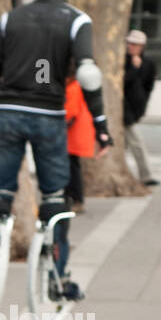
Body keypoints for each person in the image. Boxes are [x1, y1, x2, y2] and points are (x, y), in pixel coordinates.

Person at [0, 0, 111, 305]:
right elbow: (87, 73)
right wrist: (100, 125)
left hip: (8, 115)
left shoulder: (10, 19)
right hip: (49, 118)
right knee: (56, 199)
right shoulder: (77, 20)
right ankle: (58, 276)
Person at [123, 29, 158, 187]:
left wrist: (142, 108)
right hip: (123, 109)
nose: (131, 46)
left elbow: (148, 86)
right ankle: (146, 175)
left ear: (142, 46)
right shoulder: (123, 60)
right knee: (136, 142)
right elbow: (121, 83)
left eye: (135, 44)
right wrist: (133, 68)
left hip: (135, 108)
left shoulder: (149, 63)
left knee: (125, 143)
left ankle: (141, 174)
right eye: (129, 43)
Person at [64, 65, 94, 213]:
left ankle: (76, 199)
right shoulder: (75, 86)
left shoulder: (74, 87)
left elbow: (71, 112)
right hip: (74, 135)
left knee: (72, 168)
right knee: (72, 167)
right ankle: (73, 197)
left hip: (73, 135)